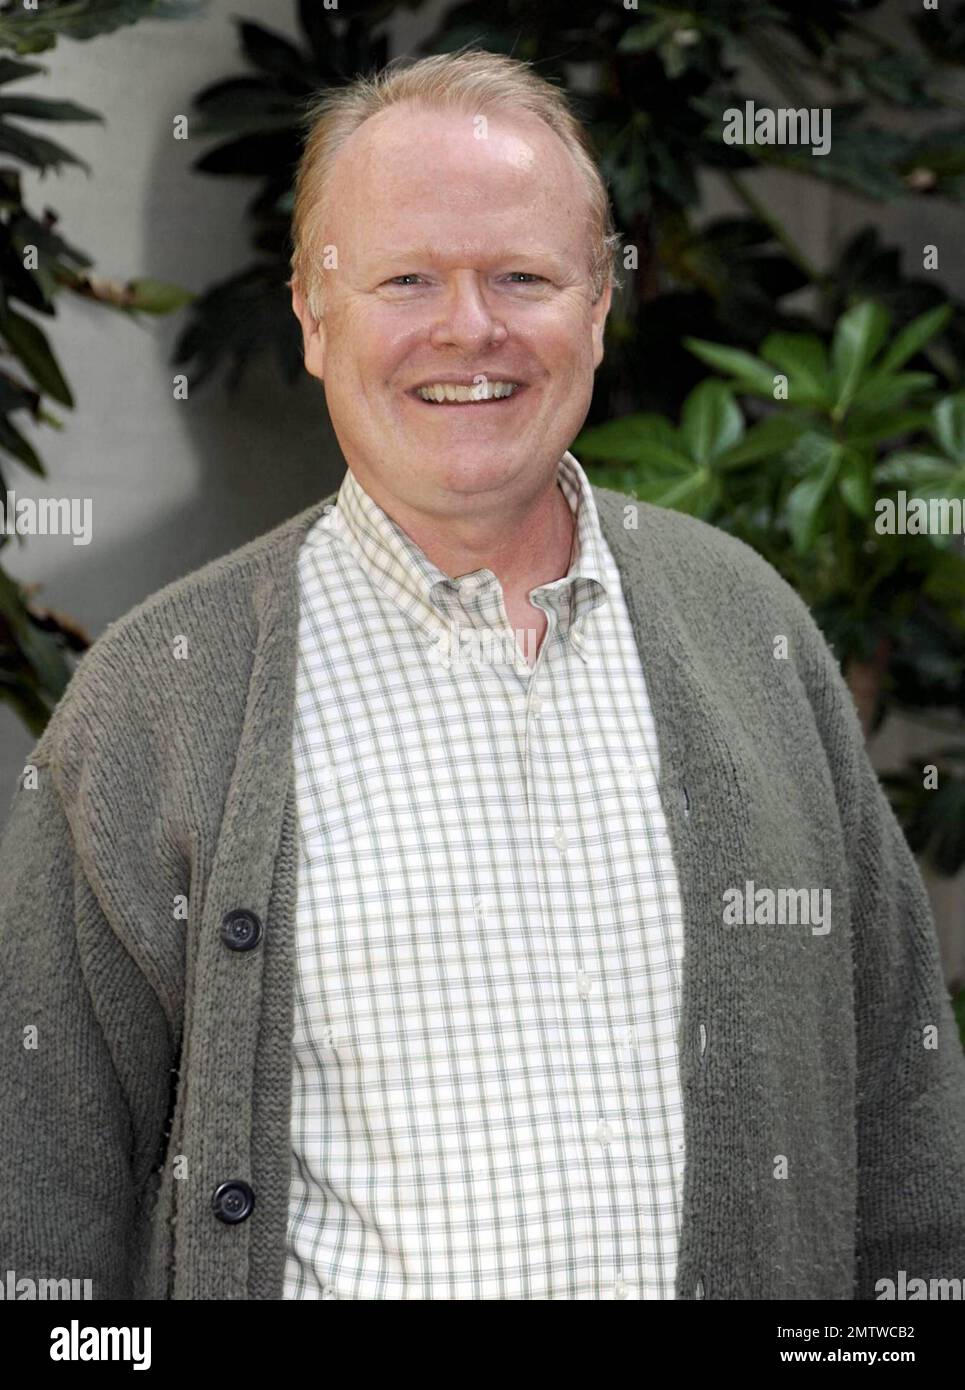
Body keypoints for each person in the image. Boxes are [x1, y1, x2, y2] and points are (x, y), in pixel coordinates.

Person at [1, 48, 963, 1302]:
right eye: (406, 278)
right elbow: (38, 1213)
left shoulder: (750, 634)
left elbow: (902, 1114)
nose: (470, 329)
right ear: (310, 314)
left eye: (522, 276)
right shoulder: (157, 698)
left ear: (598, 307)